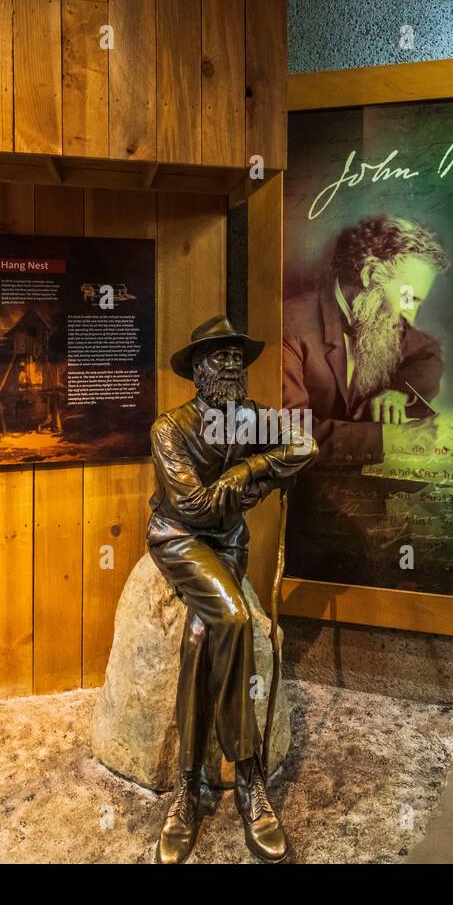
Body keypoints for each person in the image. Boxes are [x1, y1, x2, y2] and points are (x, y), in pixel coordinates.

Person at [147, 315, 318, 864]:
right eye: (219, 356)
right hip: (179, 541)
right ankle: (240, 776)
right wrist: (257, 485)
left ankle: (201, 786)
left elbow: (305, 446)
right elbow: (191, 507)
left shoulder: (248, 420)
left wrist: (246, 475)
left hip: (227, 546)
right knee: (237, 618)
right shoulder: (169, 428)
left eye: (237, 356)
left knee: (202, 637)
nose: (231, 365)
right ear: (197, 369)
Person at [282, 216, 452, 583]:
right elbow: (284, 436)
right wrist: (385, 439)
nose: (411, 314)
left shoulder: (386, 316)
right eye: (409, 297)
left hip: (356, 524)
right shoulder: (289, 326)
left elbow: (428, 353)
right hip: (296, 527)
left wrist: (401, 390)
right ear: (372, 275)